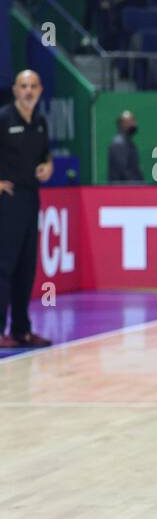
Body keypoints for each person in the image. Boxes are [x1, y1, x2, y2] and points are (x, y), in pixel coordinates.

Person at [0, 71, 54, 349]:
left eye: (33, 86)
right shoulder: (4, 118)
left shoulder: (41, 122)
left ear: (41, 89)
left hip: (31, 198)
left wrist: (49, 166)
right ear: (15, 90)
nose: (28, 91)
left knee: (26, 268)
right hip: (6, 200)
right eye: (24, 86)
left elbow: (45, 155)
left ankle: (21, 330)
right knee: (4, 266)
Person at [107, 110, 143, 182]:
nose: (134, 124)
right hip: (121, 189)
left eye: (133, 121)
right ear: (121, 125)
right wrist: (137, 185)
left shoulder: (130, 144)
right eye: (129, 122)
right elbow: (123, 171)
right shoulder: (117, 145)